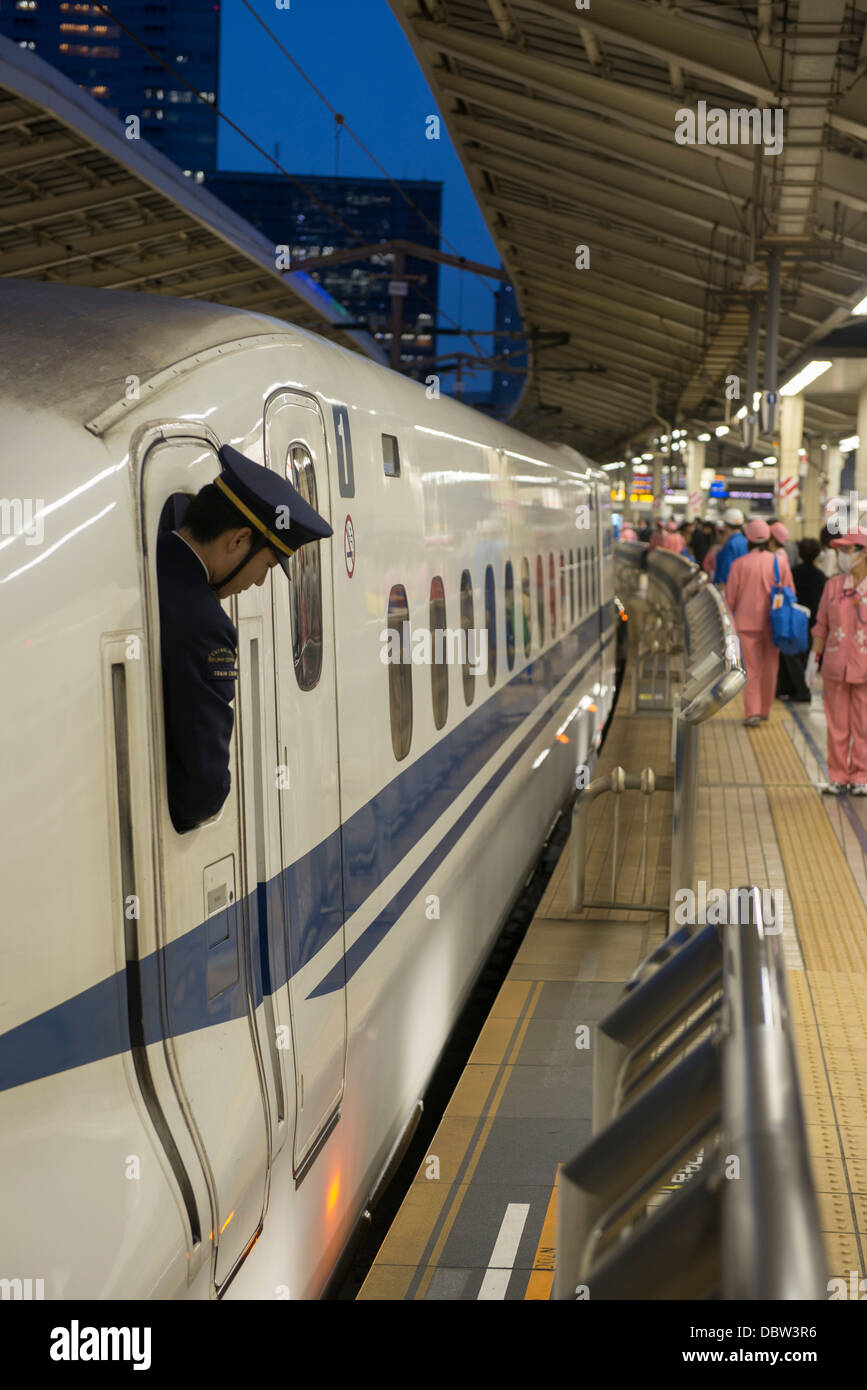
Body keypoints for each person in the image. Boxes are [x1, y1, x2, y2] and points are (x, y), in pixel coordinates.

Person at [158, 443, 333, 832]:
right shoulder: (207, 625)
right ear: (238, 541)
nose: (257, 581)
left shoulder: (154, 562)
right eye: (267, 565)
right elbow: (201, 795)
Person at [807, 526, 867, 795]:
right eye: (840, 550)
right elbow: (821, 626)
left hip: (865, 669)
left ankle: (861, 776)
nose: (842, 555)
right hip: (835, 666)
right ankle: (838, 775)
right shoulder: (832, 586)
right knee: (837, 725)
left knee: (864, 725)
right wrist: (812, 659)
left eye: (847, 550)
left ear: (864, 554)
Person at [726, 518, 794, 727]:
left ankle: (752, 712)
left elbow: (730, 599)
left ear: (748, 538)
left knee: (752, 669)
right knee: (770, 668)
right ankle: (765, 710)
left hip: (746, 626)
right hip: (775, 625)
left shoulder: (739, 564)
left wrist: (729, 627)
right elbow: (791, 592)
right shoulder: (779, 562)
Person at [777, 538, 826, 703]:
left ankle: (799, 690)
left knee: (791, 655)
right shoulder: (820, 576)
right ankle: (799, 688)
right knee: (804, 656)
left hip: (795, 619)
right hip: (813, 620)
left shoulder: (794, 571)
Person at [713, 507, 747, 587]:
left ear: (726, 526)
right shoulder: (746, 541)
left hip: (728, 588)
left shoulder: (730, 544)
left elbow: (726, 571)